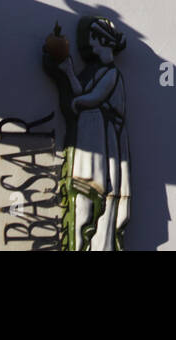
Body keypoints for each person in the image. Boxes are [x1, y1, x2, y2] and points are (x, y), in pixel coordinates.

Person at [43, 16, 130, 250]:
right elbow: (80, 91)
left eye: (93, 39)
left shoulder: (111, 74)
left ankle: (100, 243)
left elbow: (93, 97)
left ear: (103, 41)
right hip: (89, 140)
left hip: (103, 143)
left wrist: (76, 101)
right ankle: (82, 242)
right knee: (83, 196)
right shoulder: (94, 71)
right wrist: (68, 72)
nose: (89, 45)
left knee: (100, 196)